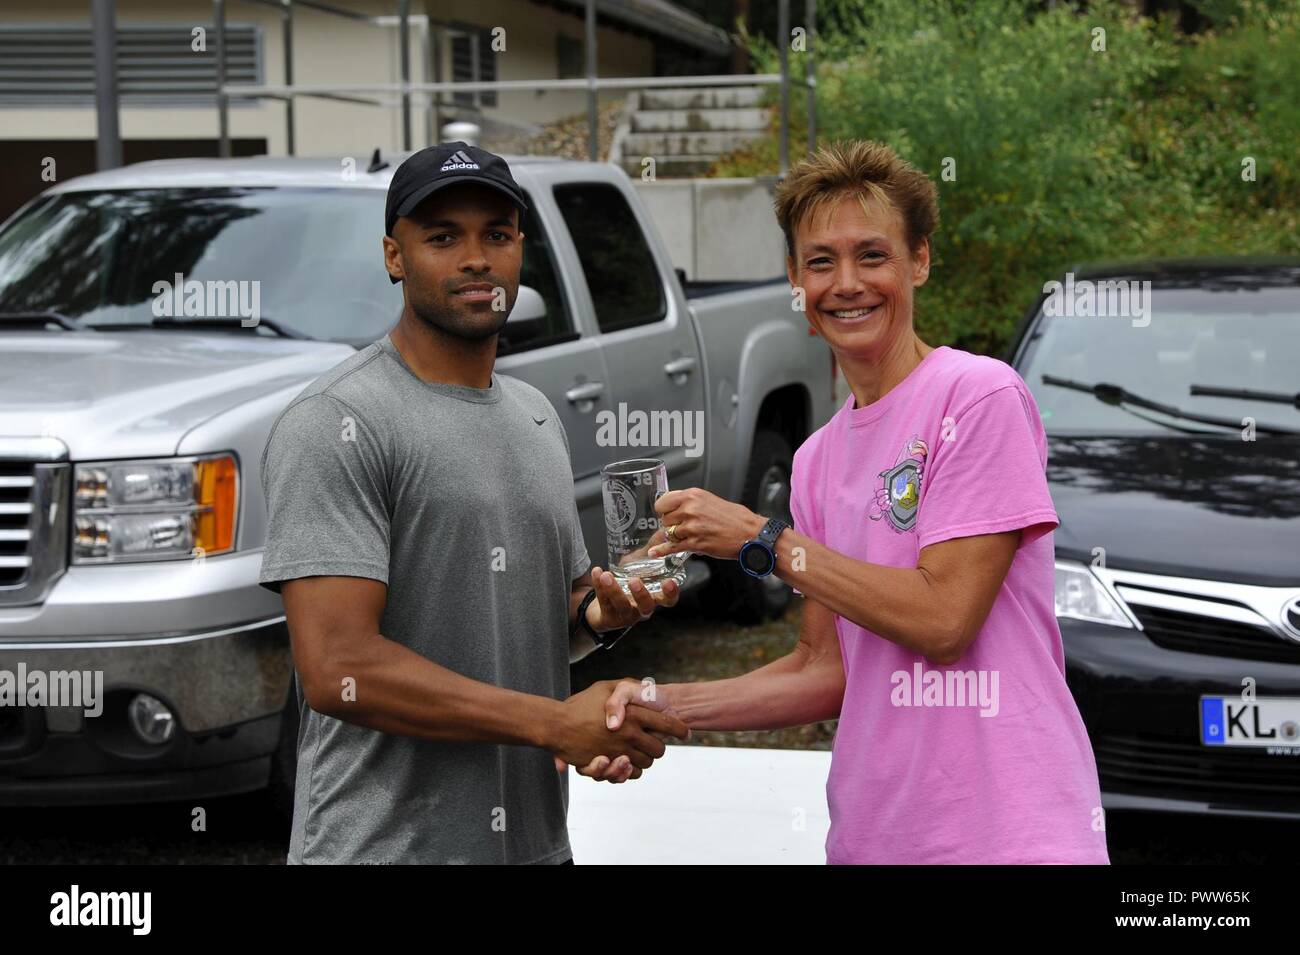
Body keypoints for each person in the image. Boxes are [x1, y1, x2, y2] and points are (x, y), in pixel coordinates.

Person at [598, 141, 1110, 865]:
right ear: (795, 282)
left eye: (872, 255)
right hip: (877, 839)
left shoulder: (977, 396)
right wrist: (654, 702)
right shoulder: (816, 459)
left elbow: (942, 620)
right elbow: (824, 668)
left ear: (919, 261)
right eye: (820, 261)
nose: (847, 283)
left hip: (1009, 836)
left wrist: (761, 539)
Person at [258, 142, 687, 864]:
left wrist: (599, 611)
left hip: (533, 845)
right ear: (395, 256)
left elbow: (539, 617)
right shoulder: (336, 421)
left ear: (521, 249)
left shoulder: (536, 415)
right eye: (442, 236)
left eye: (496, 234)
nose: (476, 258)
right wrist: (555, 722)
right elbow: (337, 668)